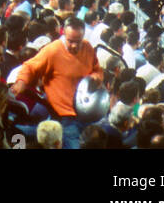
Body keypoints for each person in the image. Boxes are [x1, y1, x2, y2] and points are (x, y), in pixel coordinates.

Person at [10, 17, 102, 150]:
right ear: (64, 35)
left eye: (78, 41)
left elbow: (97, 69)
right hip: (65, 115)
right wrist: (21, 81)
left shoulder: (87, 47)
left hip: (86, 114)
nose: (74, 45)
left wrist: (95, 77)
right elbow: (30, 67)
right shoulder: (52, 50)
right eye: (70, 41)